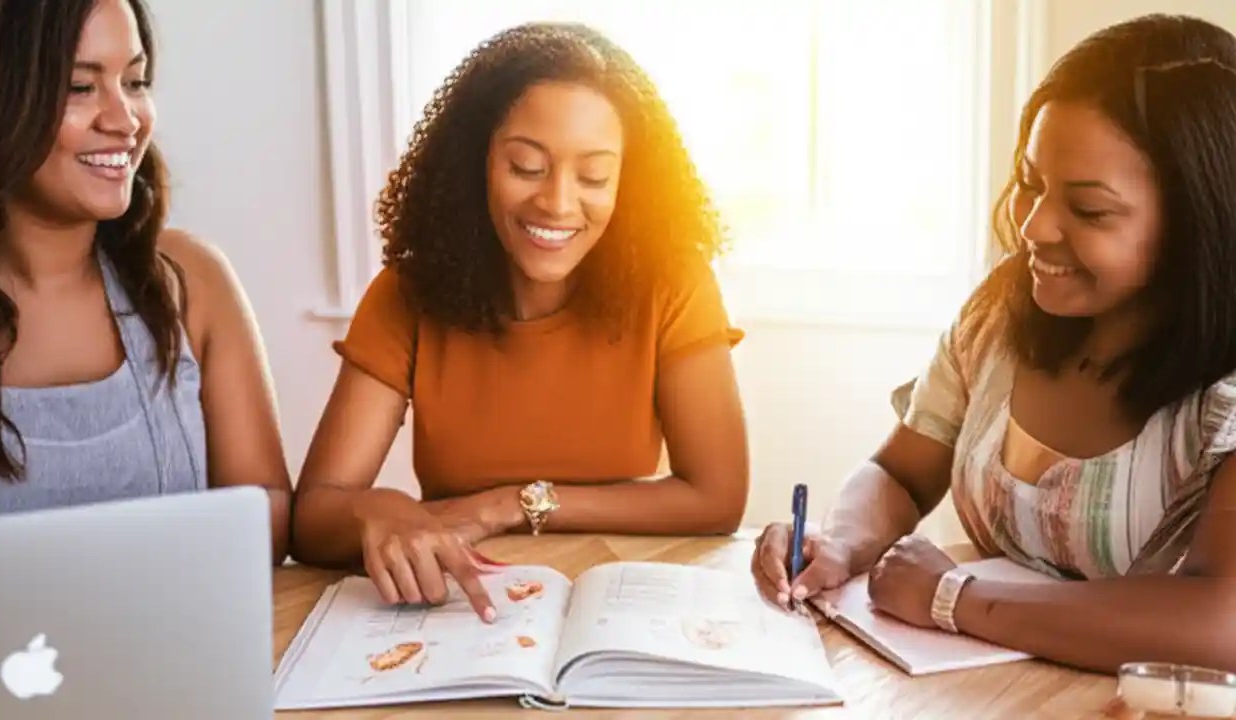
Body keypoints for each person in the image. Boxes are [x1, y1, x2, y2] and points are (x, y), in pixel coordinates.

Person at [753, 13, 1236, 674]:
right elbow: (899, 472)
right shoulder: (1002, 313)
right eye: (1031, 184)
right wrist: (841, 541)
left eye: (1088, 210)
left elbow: (1222, 623)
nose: (1034, 227)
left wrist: (957, 599)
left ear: (1198, 218)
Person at [292, 22, 750, 619]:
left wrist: (510, 504)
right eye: (527, 167)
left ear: (628, 184)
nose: (558, 204)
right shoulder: (409, 296)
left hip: (622, 602)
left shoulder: (672, 284)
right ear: (476, 162)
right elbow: (314, 519)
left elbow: (717, 498)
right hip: (460, 606)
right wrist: (379, 510)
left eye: (593, 176)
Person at [0, 0, 292, 563]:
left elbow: (268, 509)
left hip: (177, 648)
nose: (125, 119)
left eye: (135, 82)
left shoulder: (191, 282)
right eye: (80, 87)